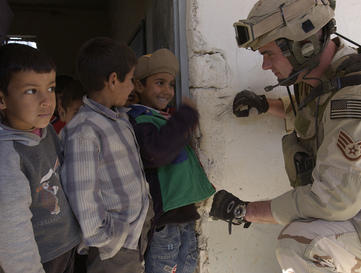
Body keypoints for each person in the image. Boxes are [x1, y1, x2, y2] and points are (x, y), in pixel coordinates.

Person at [210, 0, 361, 272]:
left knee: (301, 242)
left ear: (303, 47)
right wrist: (267, 105)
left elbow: (334, 200)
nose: (265, 65)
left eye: (269, 54)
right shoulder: (325, 80)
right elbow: (319, 116)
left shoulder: (359, 96)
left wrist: (244, 211)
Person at [61, 37, 153, 273]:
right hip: (114, 248)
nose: (133, 86)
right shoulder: (84, 131)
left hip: (131, 237)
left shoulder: (116, 118)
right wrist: (110, 239)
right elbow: (83, 199)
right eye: (130, 79)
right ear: (113, 80)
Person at [126, 48, 216, 273]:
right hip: (164, 219)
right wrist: (184, 119)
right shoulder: (138, 119)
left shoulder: (165, 116)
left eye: (170, 84)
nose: (167, 90)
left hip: (184, 214)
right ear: (138, 86)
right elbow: (156, 152)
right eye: (159, 82)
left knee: (186, 266)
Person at [0, 43, 80, 273]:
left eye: (51, 88)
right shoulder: (8, 157)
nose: (47, 100)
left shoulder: (47, 132)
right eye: (31, 91)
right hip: (40, 260)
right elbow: (11, 232)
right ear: (2, 100)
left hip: (66, 246)